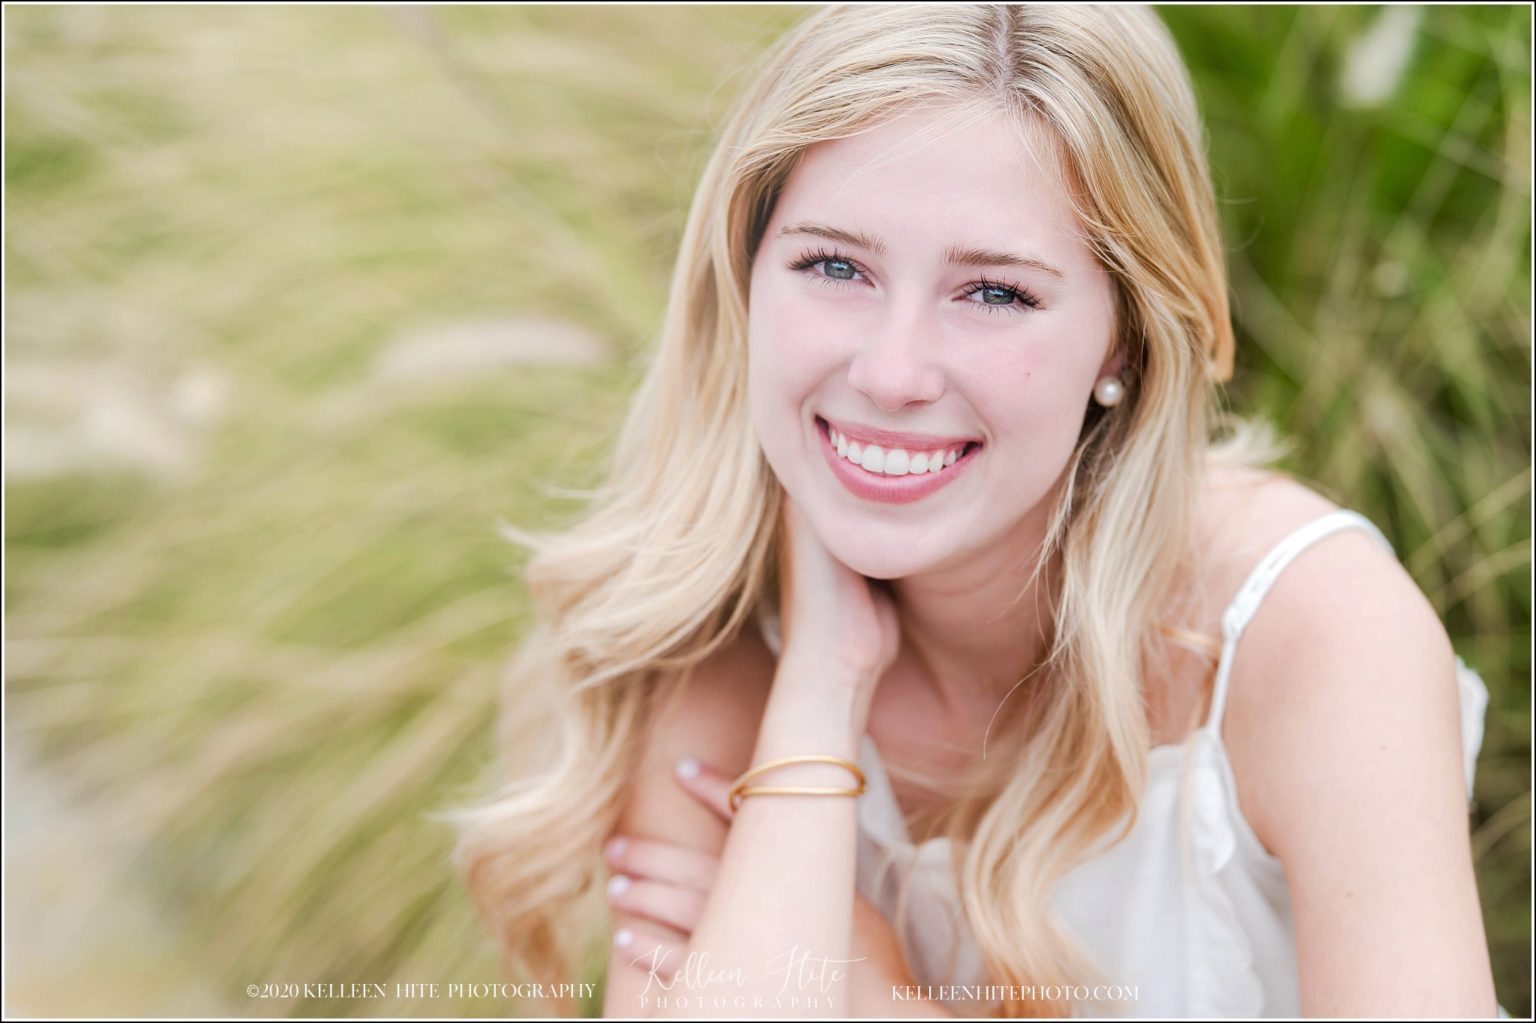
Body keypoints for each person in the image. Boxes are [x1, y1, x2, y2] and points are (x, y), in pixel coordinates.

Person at [442, 5, 1506, 1018]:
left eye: (995, 292)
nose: (892, 371)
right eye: (834, 265)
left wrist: (881, 1000)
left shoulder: (1312, 635)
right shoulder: (719, 645)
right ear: (746, 279)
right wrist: (821, 685)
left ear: (1126, 337)